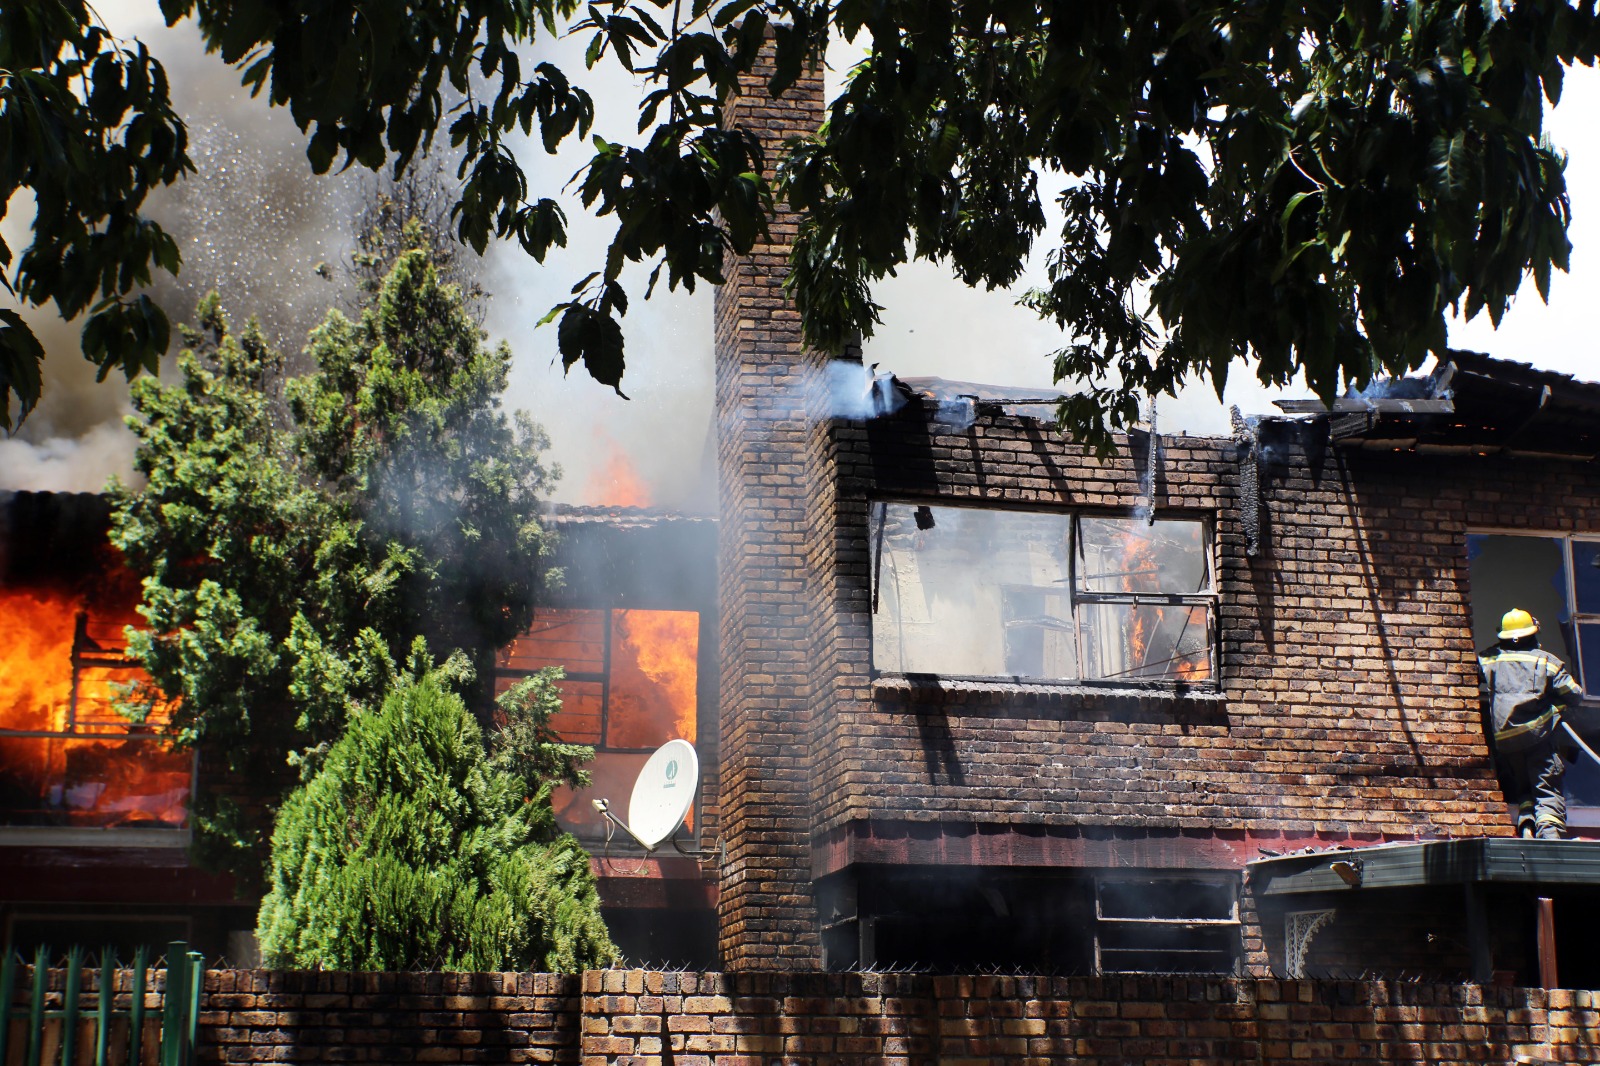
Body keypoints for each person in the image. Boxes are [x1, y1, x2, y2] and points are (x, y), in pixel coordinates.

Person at [1478, 609, 1583, 839]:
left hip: (1505, 742)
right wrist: (1554, 703)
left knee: (1523, 786)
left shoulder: (1489, 659)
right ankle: (1550, 837)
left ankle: (1527, 826)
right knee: (1547, 790)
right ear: (1533, 634)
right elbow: (1574, 694)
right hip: (1539, 738)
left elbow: (1470, 674)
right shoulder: (1547, 662)